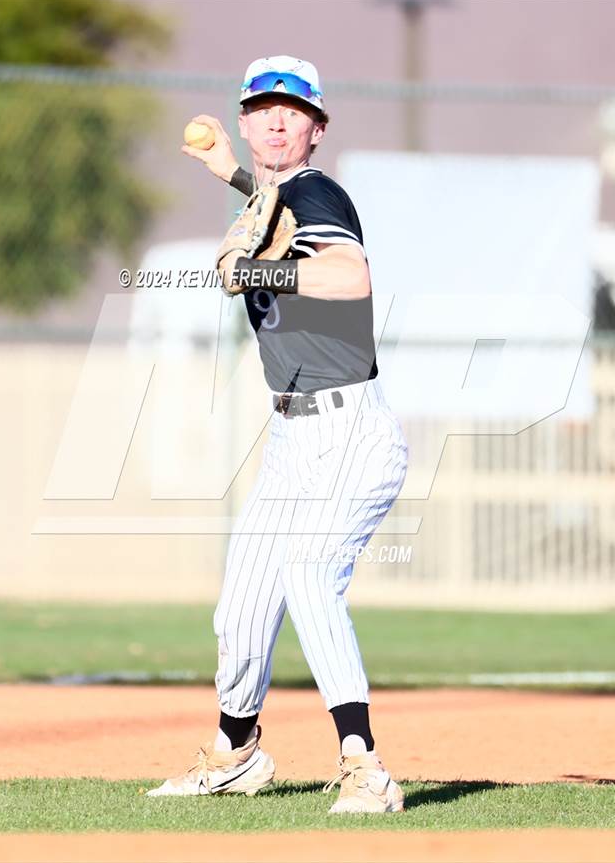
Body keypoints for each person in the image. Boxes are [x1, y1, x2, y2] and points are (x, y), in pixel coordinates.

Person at [147, 55, 408, 814]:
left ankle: (365, 764)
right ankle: (235, 749)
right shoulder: (269, 198)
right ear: (244, 121)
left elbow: (348, 276)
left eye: (292, 109)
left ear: (316, 128)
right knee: (242, 604)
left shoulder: (316, 190)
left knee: (307, 572)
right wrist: (233, 176)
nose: (276, 117)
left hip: (349, 430)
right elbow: (271, 215)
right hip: (294, 440)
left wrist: (260, 272)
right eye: (261, 106)